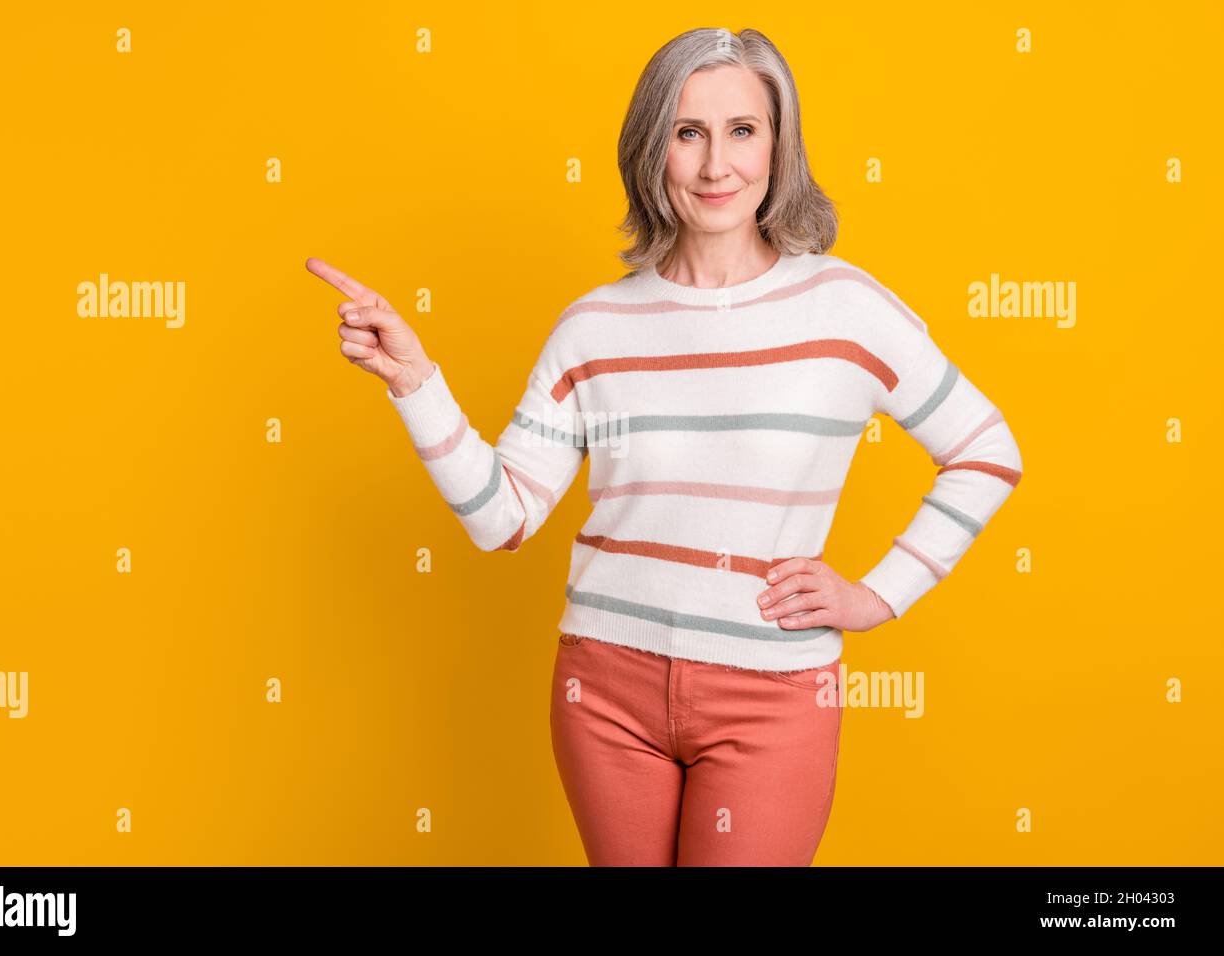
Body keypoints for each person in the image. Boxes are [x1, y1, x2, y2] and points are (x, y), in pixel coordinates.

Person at [305, 27, 1023, 866]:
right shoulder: (594, 327)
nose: (718, 164)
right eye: (689, 133)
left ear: (778, 145)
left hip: (772, 697)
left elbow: (987, 449)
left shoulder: (844, 308)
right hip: (603, 691)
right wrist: (416, 382)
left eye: (743, 131)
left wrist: (880, 593)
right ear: (653, 150)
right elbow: (501, 519)